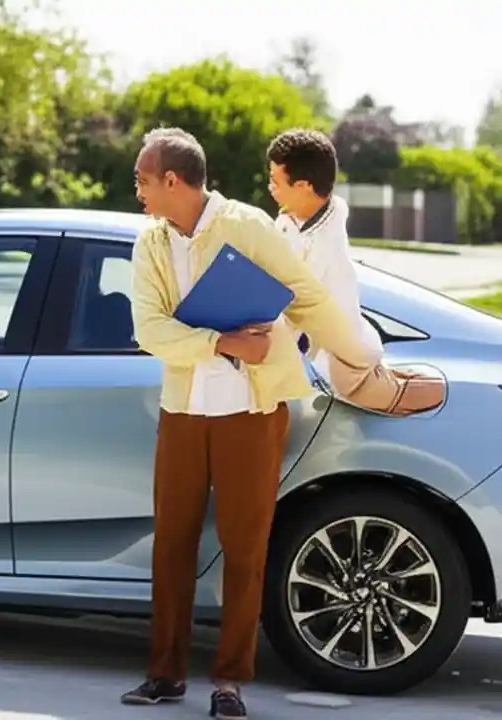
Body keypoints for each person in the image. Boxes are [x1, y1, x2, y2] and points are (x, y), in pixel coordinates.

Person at [120, 127, 381, 720]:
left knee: (245, 549)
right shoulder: (150, 246)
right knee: (173, 545)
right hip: (183, 412)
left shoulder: (247, 227)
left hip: (253, 412)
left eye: (141, 178)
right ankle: (164, 674)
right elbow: (149, 330)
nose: (136, 189)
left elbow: (308, 298)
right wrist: (223, 341)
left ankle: (229, 682)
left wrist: (361, 357)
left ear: (171, 180)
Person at [266, 128, 445, 415]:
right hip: (336, 352)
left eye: (275, 181)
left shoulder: (323, 244)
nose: (270, 187)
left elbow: (292, 304)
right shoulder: (293, 220)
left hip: (348, 364)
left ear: (303, 186)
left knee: (400, 396)